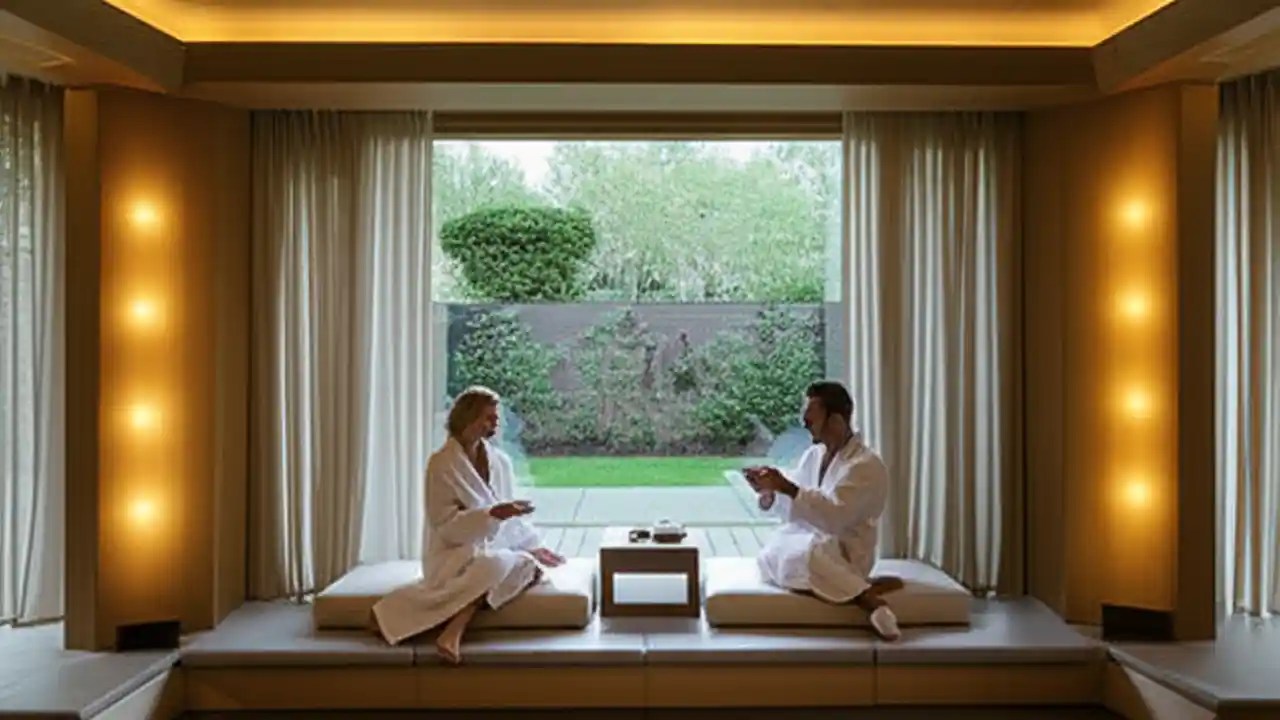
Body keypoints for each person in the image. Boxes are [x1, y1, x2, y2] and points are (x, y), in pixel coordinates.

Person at [371, 386, 565, 662]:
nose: (495, 423)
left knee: (527, 566)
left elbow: (509, 518)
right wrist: (492, 514)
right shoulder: (441, 465)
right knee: (496, 565)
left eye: (496, 417)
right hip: (453, 554)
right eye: (488, 417)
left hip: (491, 553)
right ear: (468, 418)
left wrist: (534, 546)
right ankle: (398, 615)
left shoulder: (500, 462)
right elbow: (444, 525)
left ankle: (455, 628)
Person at [743, 380, 904, 641]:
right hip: (810, 541)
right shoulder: (813, 456)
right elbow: (795, 508)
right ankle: (858, 589)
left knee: (813, 554)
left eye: (810, 418)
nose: (805, 423)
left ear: (836, 421)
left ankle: (871, 602)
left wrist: (787, 487)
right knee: (770, 551)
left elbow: (835, 518)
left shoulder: (865, 466)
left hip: (843, 552)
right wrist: (770, 491)